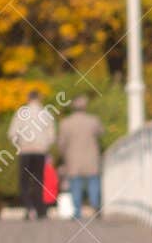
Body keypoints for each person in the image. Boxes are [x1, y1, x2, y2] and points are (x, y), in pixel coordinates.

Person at [8, 90, 55, 219]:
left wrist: (19, 145)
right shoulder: (46, 113)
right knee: (38, 180)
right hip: (40, 151)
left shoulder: (21, 112)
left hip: (25, 151)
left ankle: (29, 208)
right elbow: (51, 136)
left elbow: (12, 133)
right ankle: (40, 210)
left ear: (28, 98)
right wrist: (45, 146)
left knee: (24, 181)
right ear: (39, 98)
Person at [57, 96, 104, 219]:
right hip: (91, 157)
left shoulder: (66, 123)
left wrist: (63, 156)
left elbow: (61, 143)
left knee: (75, 184)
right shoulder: (93, 120)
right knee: (93, 182)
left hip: (73, 159)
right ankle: (95, 205)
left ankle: (77, 211)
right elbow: (101, 133)